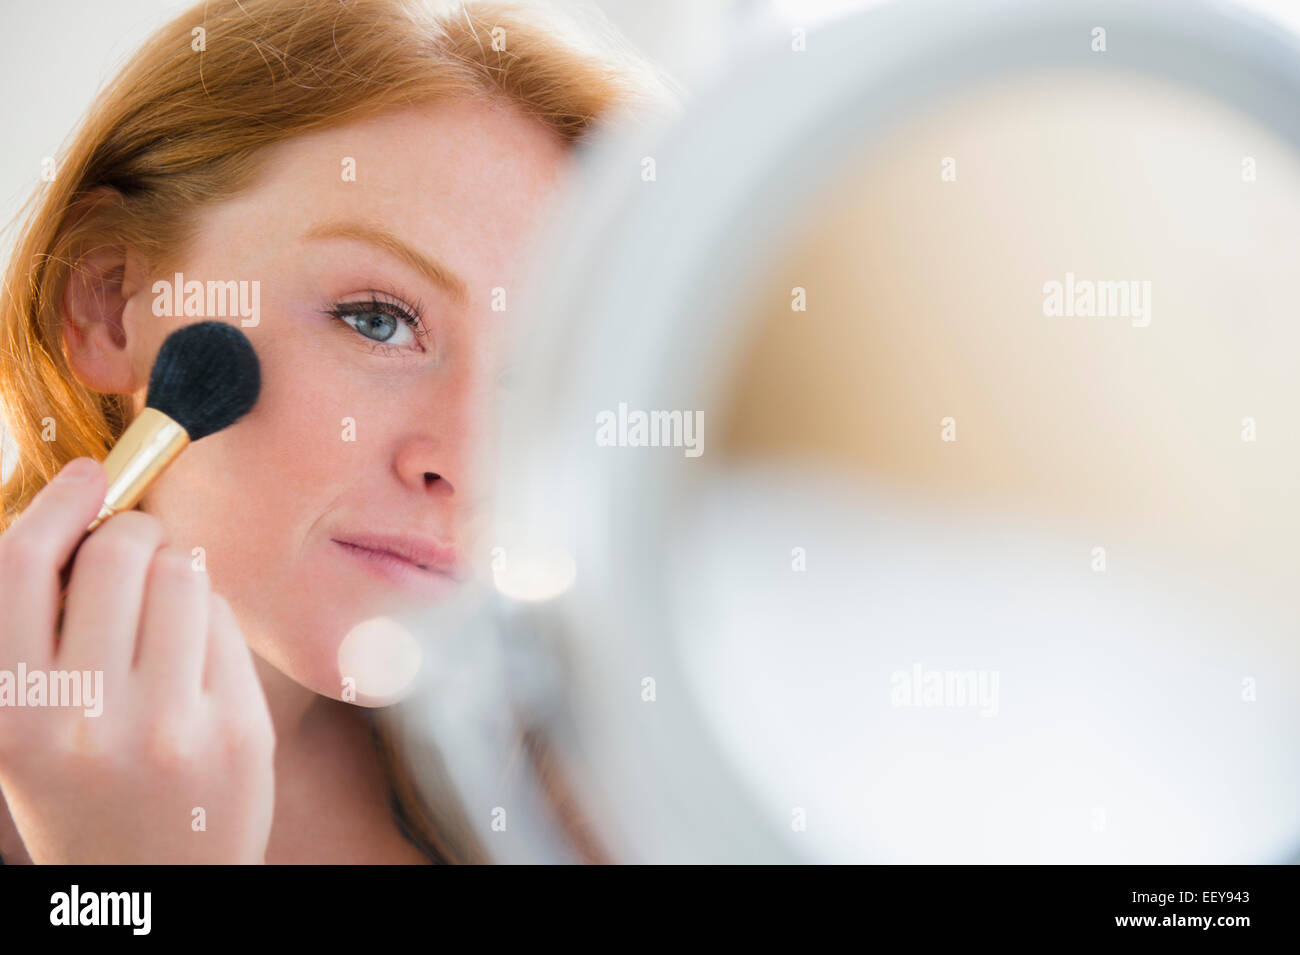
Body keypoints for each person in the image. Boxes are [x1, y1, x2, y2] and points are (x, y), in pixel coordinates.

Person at [0, 0, 679, 864]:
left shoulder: (556, 798)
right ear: (107, 301)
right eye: (377, 321)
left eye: (535, 372)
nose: (467, 466)